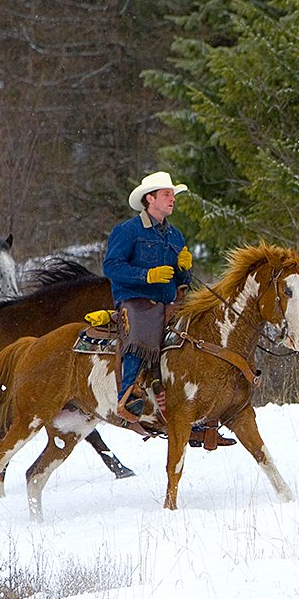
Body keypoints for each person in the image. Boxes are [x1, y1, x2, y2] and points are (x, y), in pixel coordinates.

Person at [103, 171, 194, 422]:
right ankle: (129, 396)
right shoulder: (128, 231)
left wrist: (184, 269)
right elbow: (111, 266)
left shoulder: (175, 235)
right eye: (166, 194)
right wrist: (147, 276)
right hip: (135, 300)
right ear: (150, 199)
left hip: (170, 302)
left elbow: (182, 280)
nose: (172, 199)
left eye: (173, 195)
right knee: (141, 331)